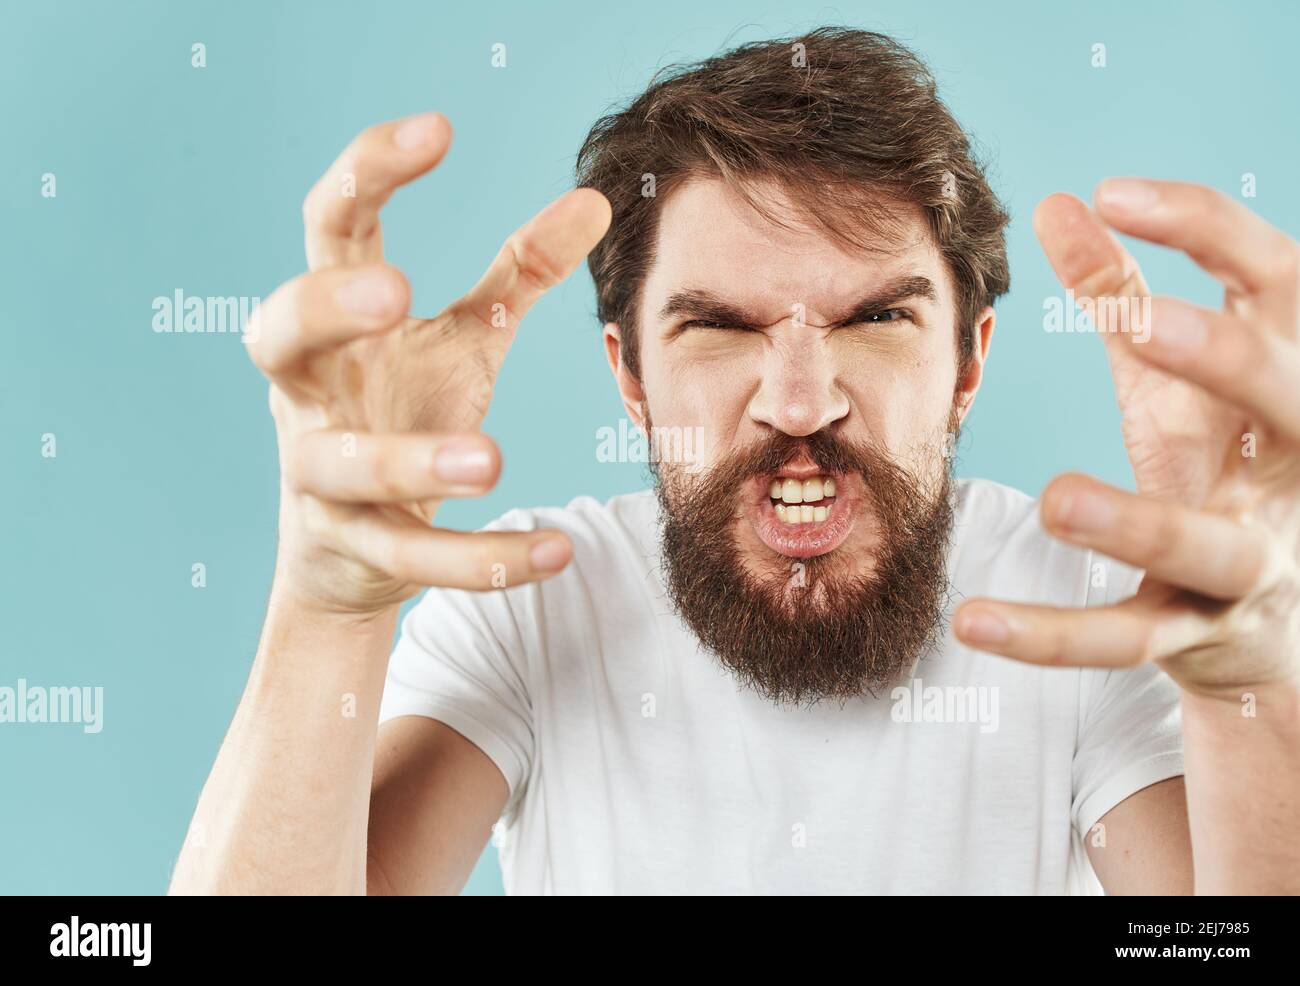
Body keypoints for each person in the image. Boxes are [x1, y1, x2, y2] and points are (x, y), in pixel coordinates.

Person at [170, 28, 1300, 895]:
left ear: (967, 363)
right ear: (630, 377)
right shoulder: (529, 601)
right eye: (717, 327)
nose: (798, 402)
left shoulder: (1083, 612)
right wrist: (326, 609)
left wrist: (1252, 681)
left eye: (872, 319)